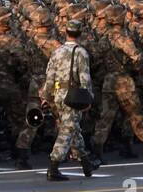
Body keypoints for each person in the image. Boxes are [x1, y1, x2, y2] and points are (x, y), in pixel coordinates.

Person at [40, 20, 99, 180]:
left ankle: (86, 164)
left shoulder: (57, 51)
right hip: (73, 95)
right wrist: (88, 99)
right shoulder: (81, 52)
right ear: (80, 33)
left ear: (66, 32)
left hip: (58, 94)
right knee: (67, 129)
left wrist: (46, 97)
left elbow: (50, 76)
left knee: (72, 127)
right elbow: (85, 78)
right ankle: (53, 166)